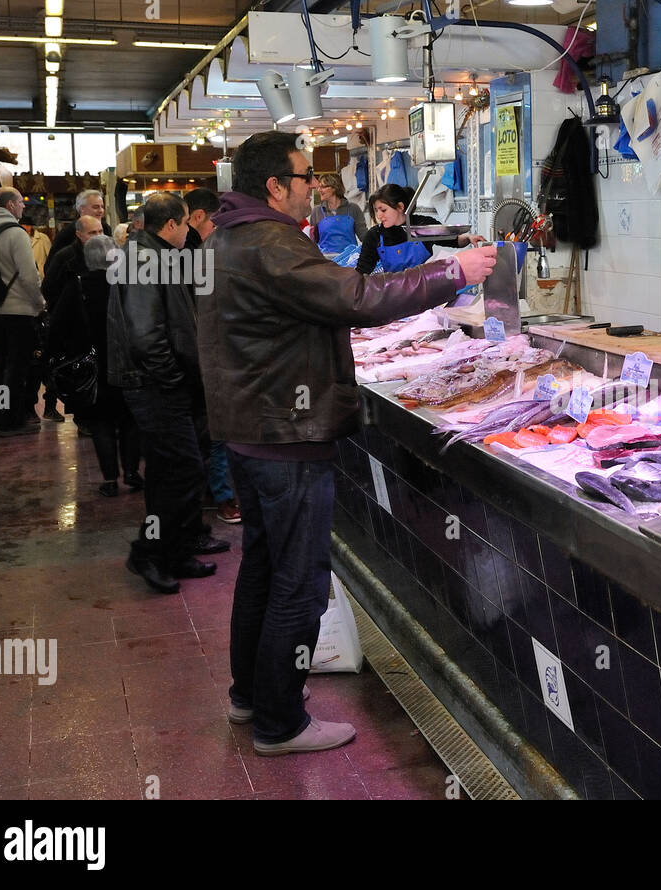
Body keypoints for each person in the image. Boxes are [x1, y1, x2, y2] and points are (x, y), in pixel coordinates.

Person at [199, 131, 497, 756]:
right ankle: (281, 722)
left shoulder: (228, 237)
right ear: (275, 185)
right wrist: (452, 271)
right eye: (306, 177)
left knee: (262, 568)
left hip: (251, 432)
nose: (314, 188)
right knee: (299, 582)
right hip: (287, 434)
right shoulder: (271, 242)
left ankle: (249, 696)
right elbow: (360, 299)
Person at [108, 192, 228, 595]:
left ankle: (174, 551)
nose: (190, 231)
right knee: (183, 469)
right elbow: (145, 336)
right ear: (172, 224)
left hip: (158, 383)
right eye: (186, 224)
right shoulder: (145, 259)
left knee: (165, 471)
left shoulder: (152, 253)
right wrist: (173, 377)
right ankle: (149, 552)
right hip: (154, 386)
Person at [46, 234, 143, 496]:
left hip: (91, 368)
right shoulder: (126, 283)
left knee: (101, 423)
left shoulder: (77, 286)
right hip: (126, 362)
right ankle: (132, 473)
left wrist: (56, 357)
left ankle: (110, 479)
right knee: (129, 420)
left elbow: (56, 328)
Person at [180, 187, 237, 522]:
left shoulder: (203, 249)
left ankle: (219, 492)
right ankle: (222, 495)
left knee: (213, 429)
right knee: (214, 429)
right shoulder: (186, 253)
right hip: (202, 354)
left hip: (209, 351)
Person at [0, 188, 45, 435]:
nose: (23, 207)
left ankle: (1, 416)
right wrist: (40, 304)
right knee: (16, 368)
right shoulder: (16, 233)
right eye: (21, 203)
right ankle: (12, 420)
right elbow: (29, 277)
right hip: (17, 310)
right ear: (10, 206)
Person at [40, 214, 104, 422]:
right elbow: (48, 288)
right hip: (73, 327)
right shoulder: (65, 256)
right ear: (79, 234)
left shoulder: (108, 253)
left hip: (99, 325)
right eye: (92, 233)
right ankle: (82, 416)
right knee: (78, 372)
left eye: (100, 232)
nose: (97, 236)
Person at [355, 184, 483, 275]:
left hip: (427, 292)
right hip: (394, 295)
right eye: (376, 210)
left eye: (383, 210)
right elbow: (362, 270)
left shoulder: (422, 225)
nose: (379, 215)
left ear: (400, 207)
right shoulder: (375, 235)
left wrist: (468, 237)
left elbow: (453, 240)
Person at [45, 190, 111, 271]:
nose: (101, 211)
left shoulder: (106, 228)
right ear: (82, 209)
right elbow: (51, 266)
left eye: (102, 207)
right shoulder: (69, 232)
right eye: (96, 207)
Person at [309, 173, 367, 254]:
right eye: (319, 187)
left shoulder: (353, 209)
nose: (319, 190)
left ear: (334, 188)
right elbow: (313, 240)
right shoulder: (317, 211)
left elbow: (364, 236)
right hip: (325, 261)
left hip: (349, 260)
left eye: (323, 187)